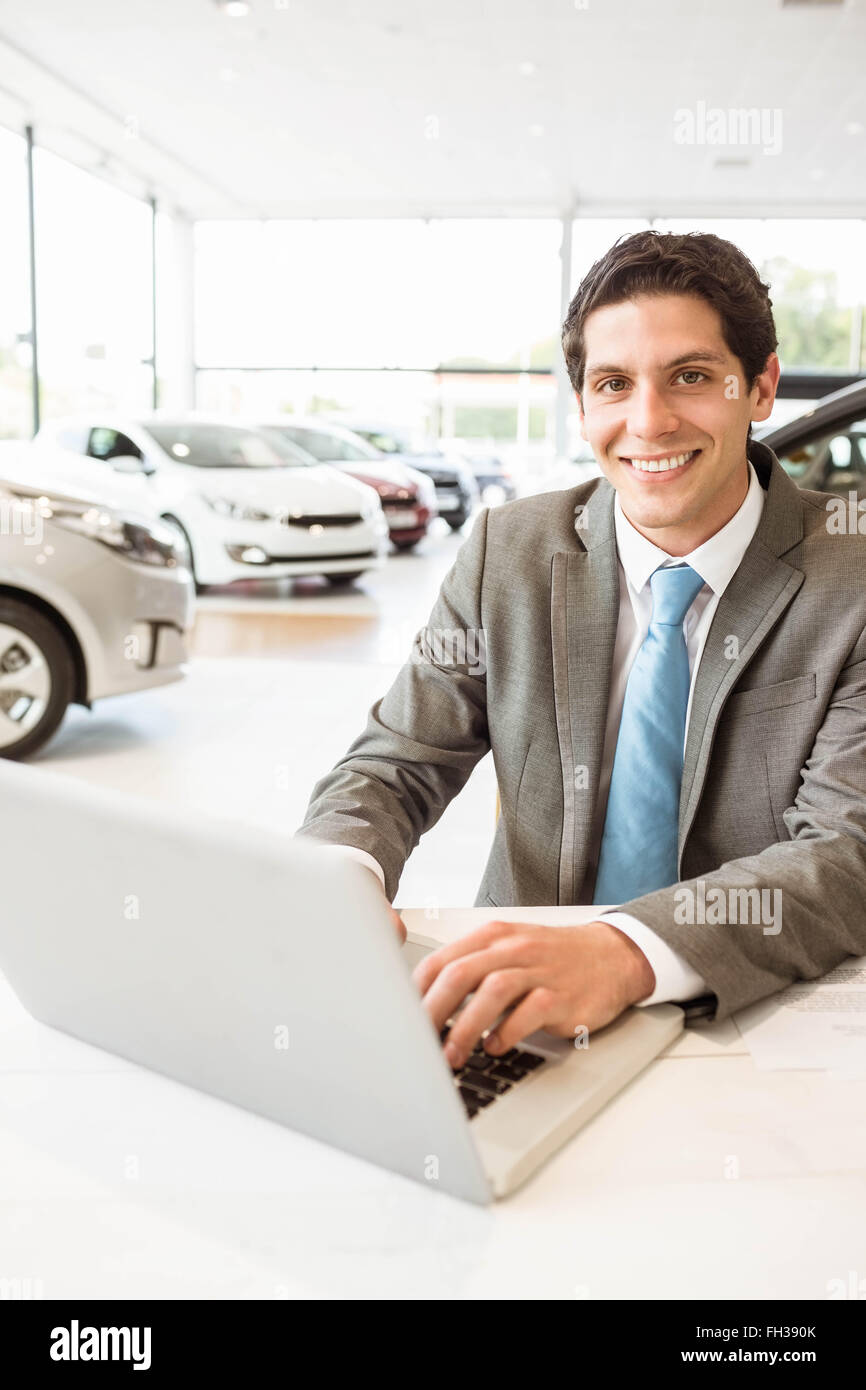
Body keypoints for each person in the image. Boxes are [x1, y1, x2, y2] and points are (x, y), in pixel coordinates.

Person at [295, 230, 866, 1070]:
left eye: (692, 377)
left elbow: (845, 851)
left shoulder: (851, 579)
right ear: (583, 404)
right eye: (613, 384)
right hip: (514, 1006)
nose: (649, 422)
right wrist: (338, 872)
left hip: (749, 1013)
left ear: (762, 387)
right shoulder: (508, 551)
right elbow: (398, 759)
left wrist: (624, 952)